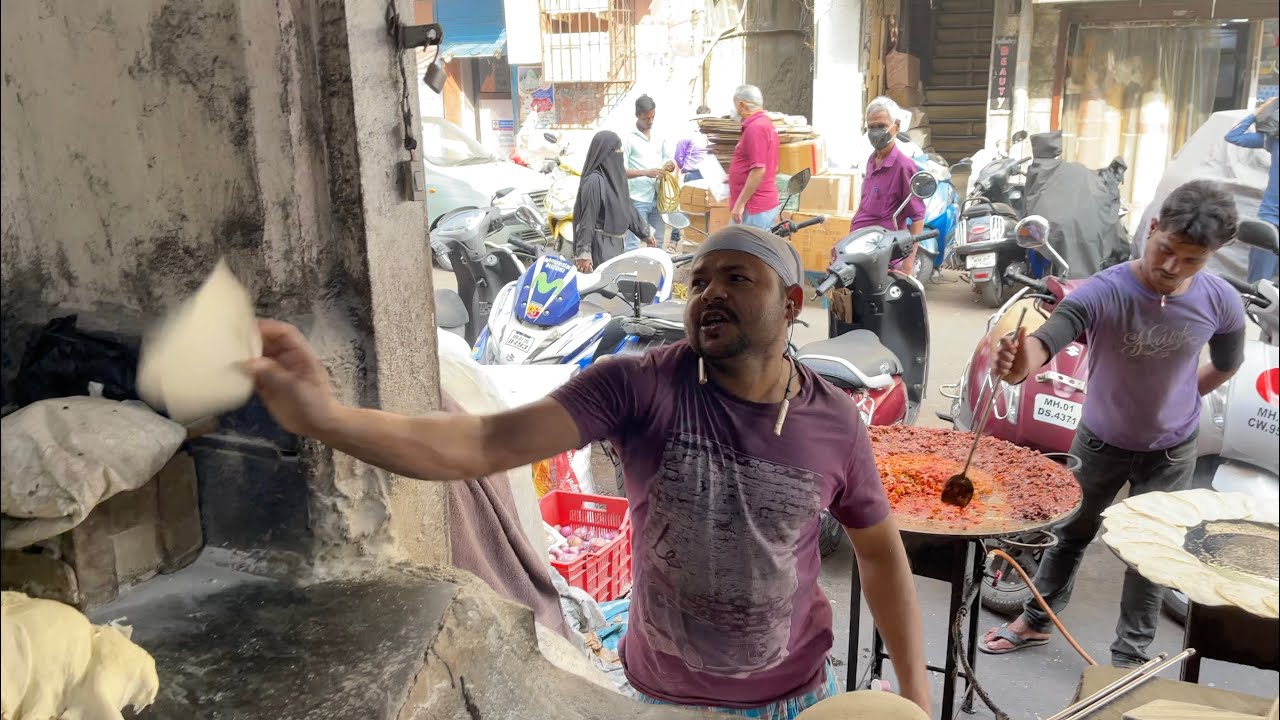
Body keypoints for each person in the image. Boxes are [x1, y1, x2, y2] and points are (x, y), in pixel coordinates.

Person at [244, 224, 931, 717]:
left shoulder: (835, 419)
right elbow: (479, 443)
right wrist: (325, 419)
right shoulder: (637, 386)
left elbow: (880, 557)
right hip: (664, 700)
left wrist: (915, 699)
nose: (708, 293)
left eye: (736, 277)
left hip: (798, 698)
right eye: (700, 280)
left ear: (791, 304)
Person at [980, 180, 1246, 668]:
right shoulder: (1106, 290)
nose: (1171, 268)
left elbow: (1227, 364)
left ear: (1214, 254)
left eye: (1191, 261)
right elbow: (1045, 343)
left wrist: (1183, 400)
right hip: (1099, 442)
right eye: (1165, 250)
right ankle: (1038, 622)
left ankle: (1129, 658)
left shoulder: (1222, 302)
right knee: (1069, 535)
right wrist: (1017, 363)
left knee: (1152, 555)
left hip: (1172, 451)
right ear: (1152, 227)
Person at [849, 97, 926, 273]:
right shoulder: (871, 160)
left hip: (885, 259)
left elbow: (918, 218)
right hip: (861, 252)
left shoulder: (904, 167)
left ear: (896, 126)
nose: (876, 132)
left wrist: (908, 264)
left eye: (882, 126)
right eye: (871, 127)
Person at [572, 130, 655, 273]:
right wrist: (584, 253)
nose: (620, 152)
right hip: (599, 246)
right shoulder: (594, 181)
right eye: (617, 149)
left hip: (616, 245)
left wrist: (645, 233)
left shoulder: (615, 179)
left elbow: (626, 207)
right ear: (605, 153)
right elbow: (587, 218)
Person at [1224, 96, 1279, 283]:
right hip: (1270, 224)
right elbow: (1232, 137)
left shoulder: (1272, 141)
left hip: (1269, 221)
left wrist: (1256, 114)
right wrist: (1256, 113)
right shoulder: (1273, 140)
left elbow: (1234, 135)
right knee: (1259, 287)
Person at [624, 95, 676, 252]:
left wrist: (669, 164)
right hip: (637, 199)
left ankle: (653, 275)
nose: (650, 121)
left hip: (657, 197)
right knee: (633, 244)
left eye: (653, 117)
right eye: (646, 118)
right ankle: (631, 275)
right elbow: (622, 171)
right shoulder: (628, 138)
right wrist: (645, 173)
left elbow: (667, 157)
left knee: (657, 242)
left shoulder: (659, 136)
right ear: (637, 115)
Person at [729, 85, 781, 230]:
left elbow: (758, 170)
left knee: (741, 250)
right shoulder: (764, 124)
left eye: (734, 104)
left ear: (741, 105)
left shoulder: (756, 128)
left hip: (753, 208)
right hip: (758, 206)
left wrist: (740, 204)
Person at [669, 105, 713, 250]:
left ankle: (704, 240)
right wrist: (686, 168)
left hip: (709, 174)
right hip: (693, 174)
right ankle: (674, 241)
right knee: (686, 209)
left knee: (708, 209)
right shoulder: (689, 135)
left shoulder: (712, 135)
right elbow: (678, 156)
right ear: (698, 119)